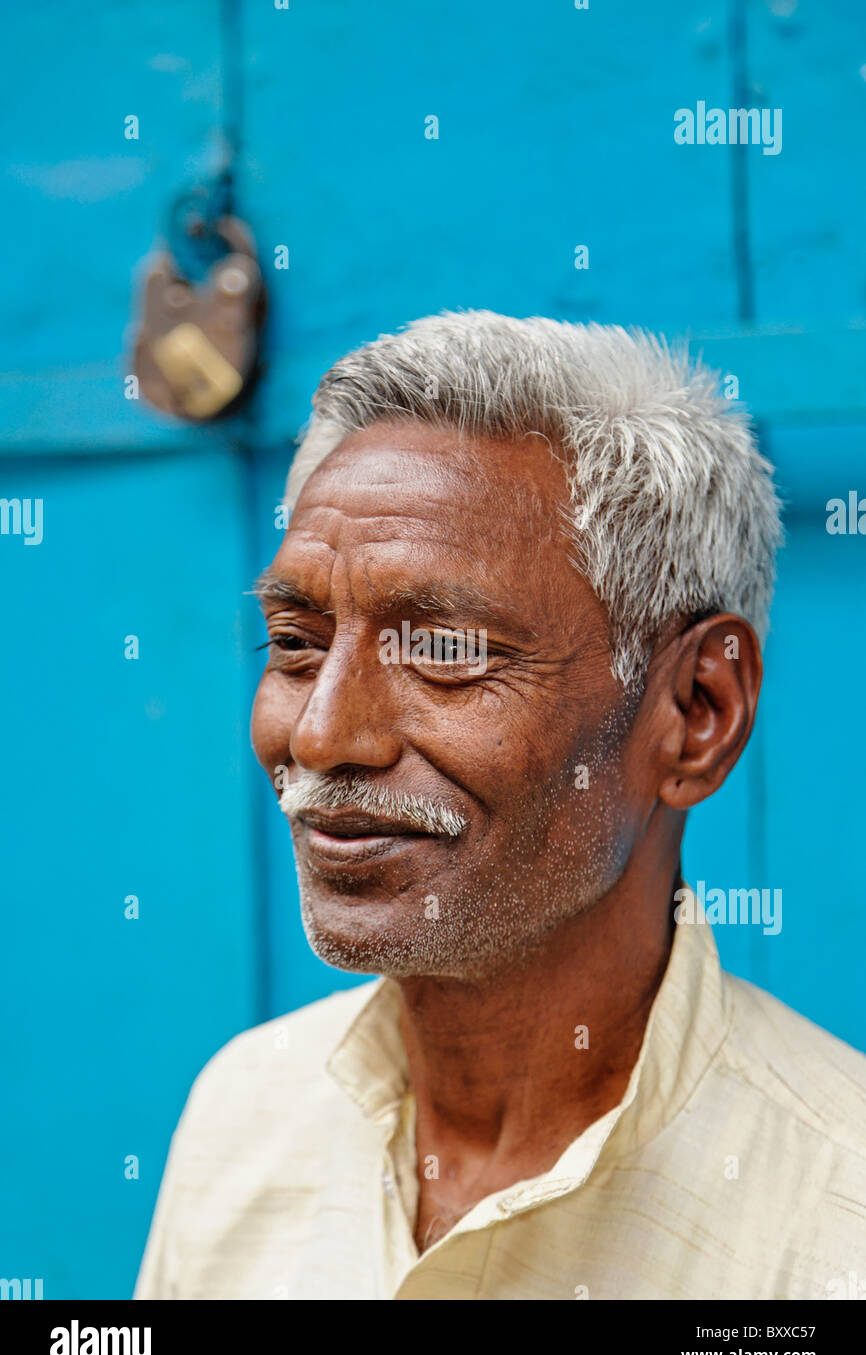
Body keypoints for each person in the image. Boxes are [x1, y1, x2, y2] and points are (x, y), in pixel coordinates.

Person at [135, 311, 866, 1300]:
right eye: (297, 642)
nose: (319, 736)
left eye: (443, 650)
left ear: (696, 712)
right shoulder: (246, 1118)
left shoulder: (836, 1223)